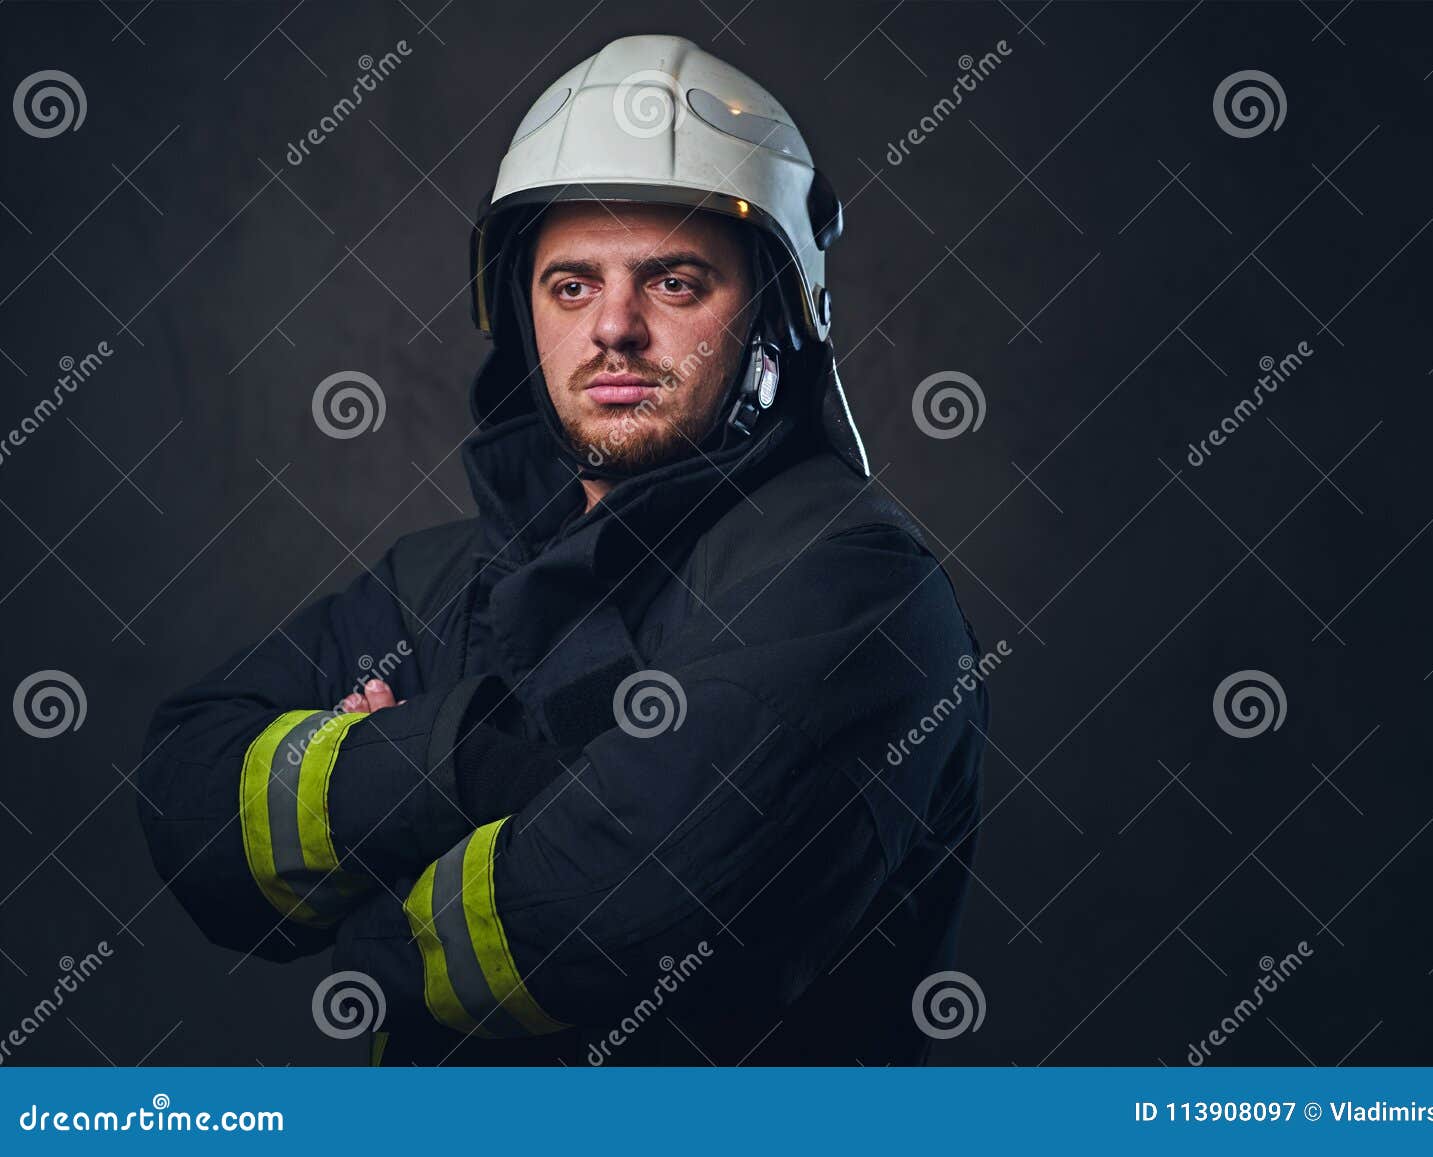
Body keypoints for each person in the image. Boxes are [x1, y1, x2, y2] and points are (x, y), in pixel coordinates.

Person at [137, 33, 989, 1066]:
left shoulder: (852, 586)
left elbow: (601, 925)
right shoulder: (438, 580)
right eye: (571, 285)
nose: (614, 327)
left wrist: (372, 838)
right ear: (520, 312)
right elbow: (188, 798)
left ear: (774, 311)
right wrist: (468, 755)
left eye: (675, 282)